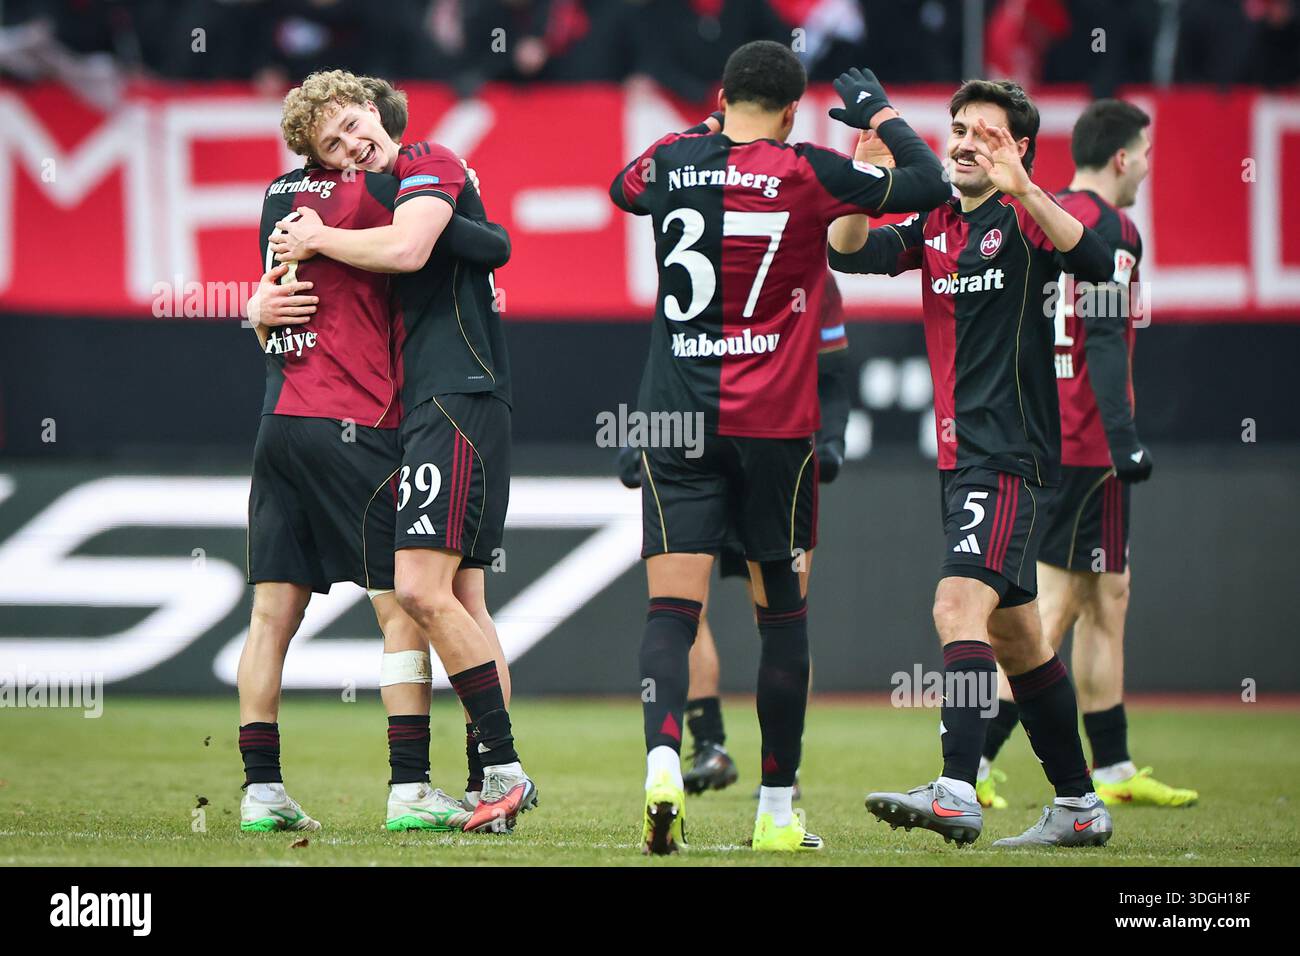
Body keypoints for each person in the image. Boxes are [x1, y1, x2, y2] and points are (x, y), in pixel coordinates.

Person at [611, 41, 950, 854]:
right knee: (783, 620)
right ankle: (774, 810)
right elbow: (932, 186)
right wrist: (880, 116)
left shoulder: (675, 157)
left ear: (723, 96)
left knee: (670, 612)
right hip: (775, 428)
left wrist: (707, 129)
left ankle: (665, 759)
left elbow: (623, 185)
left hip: (677, 418)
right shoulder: (811, 170)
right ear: (796, 110)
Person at [829, 78, 1118, 847]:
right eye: (957, 128)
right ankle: (1079, 806)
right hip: (960, 462)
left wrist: (1023, 186)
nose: (962, 142)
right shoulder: (934, 223)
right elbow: (846, 253)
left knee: (957, 608)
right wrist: (862, 180)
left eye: (984, 133)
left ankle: (958, 786)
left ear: (1019, 148)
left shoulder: (1026, 219)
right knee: (1023, 644)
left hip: (1008, 456)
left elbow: (1097, 263)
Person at [241, 76, 512, 834]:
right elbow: (437, 245)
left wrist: (250, 309)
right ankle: (413, 785)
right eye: (336, 141)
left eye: (356, 128)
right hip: (356, 418)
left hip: (278, 416)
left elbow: (272, 298)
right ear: (323, 155)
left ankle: (260, 789)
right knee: (409, 601)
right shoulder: (381, 191)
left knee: (271, 614)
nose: (354, 146)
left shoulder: (276, 197)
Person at [978, 98, 1197, 810]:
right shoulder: (1109, 227)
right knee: (1059, 605)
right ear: (1123, 157)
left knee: (1108, 594)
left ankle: (1114, 764)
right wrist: (1125, 439)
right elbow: (1103, 335)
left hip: (1052, 433)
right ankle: (974, 756)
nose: (1150, 169)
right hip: (1088, 442)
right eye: (1148, 154)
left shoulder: (1040, 215)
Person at [617, 273, 852, 798]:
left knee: (772, 613)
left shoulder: (809, 274)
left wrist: (832, 441)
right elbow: (667, 358)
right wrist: (646, 434)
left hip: (772, 447)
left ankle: (783, 770)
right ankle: (711, 746)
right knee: (693, 611)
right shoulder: (699, 257)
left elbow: (833, 374)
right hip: (712, 448)